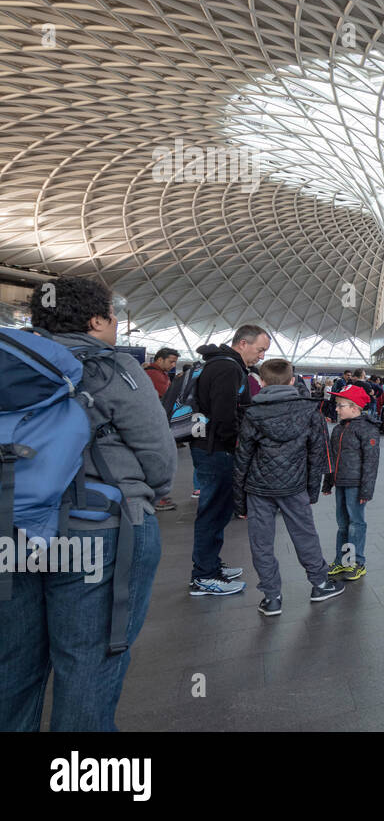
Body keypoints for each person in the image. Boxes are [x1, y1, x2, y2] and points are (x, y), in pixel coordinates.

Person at [0, 276, 172, 731]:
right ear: (97, 320)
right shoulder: (112, 368)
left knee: (13, 665)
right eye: (114, 316)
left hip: (11, 526)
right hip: (96, 530)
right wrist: (146, 492)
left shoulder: (9, 365)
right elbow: (158, 457)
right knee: (87, 663)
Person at [233, 359, 342, 616]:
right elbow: (317, 455)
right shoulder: (309, 413)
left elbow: (242, 458)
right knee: (305, 535)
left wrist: (239, 501)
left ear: (262, 382)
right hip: (295, 486)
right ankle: (320, 583)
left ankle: (272, 597)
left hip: (258, 487)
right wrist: (312, 491)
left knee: (261, 543)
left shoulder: (252, 413)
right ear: (293, 381)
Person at [190, 325, 269, 596]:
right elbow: (225, 415)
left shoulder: (217, 363)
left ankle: (209, 565)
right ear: (243, 343)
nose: (260, 357)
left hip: (207, 446)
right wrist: (238, 444)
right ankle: (204, 576)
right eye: (260, 350)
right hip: (218, 450)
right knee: (214, 512)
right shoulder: (228, 369)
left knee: (217, 510)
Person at [322, 384, 381, 581]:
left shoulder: (367, 429)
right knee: (343, 524)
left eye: (340, 405)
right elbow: (332, 458)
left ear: (355, 408)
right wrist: (328, 482)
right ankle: (342, 561)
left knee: (356, 523)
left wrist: (366, 490)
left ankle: (356, 562)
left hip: (356, 484)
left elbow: (371, 462)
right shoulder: (338, 429)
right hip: (341, 482)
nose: (336, 409)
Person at [143, 348, 180, 510]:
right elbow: (167, 395)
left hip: (153, 422)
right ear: (159, 359)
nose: (173, 365)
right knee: (156, 461)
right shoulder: (153, 374)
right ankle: (156, 498)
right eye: (171, 361)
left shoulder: (159, 373)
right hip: (151, 424)